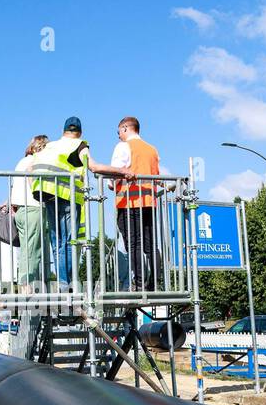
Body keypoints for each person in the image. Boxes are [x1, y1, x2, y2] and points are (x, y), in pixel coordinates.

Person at [27, 117, 129, 291]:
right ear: (79, 132)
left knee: (56, 241)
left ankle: (62, 282)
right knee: (67, 241)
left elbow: (29, 169)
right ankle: (65, 285)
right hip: (66, 196)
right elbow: (94, 167)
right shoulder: (79, 145)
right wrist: (122, 171)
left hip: (45, 193)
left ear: (63, 131)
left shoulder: (51, 145)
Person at [109, 116, 163, 291]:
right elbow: (156, 175)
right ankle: (153, 283)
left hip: (129, 202)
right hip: (149, 201)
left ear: (125, 128)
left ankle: (139, 283)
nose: (118, 136)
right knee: (150, 244)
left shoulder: (123, 146)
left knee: (133, 244)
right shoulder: (152, 149)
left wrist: (112, 184)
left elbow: (114, 175)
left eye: (118, 132)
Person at [10, 135, 50, 291]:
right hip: (33, 208)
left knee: (26, 250)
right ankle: (27, 286)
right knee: (33, 251)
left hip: (20, 210)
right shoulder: (36, 162)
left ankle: (25, 284)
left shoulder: (21, 161)